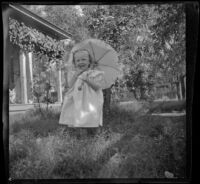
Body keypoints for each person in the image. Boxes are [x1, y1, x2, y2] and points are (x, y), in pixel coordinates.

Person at [59, 49, 106, 138]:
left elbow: (97, 87)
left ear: (89, 61)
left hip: (91, 101)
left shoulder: (95, 73)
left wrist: (87, 79)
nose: (81, 62)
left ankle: (94, 136)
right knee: (78, 119)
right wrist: (77, 75)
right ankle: (80, 138)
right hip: (78, 100)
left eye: (83, 59)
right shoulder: (74, 73)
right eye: (78, 60)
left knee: (91, 119)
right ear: (75, 63)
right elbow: (70, 85)